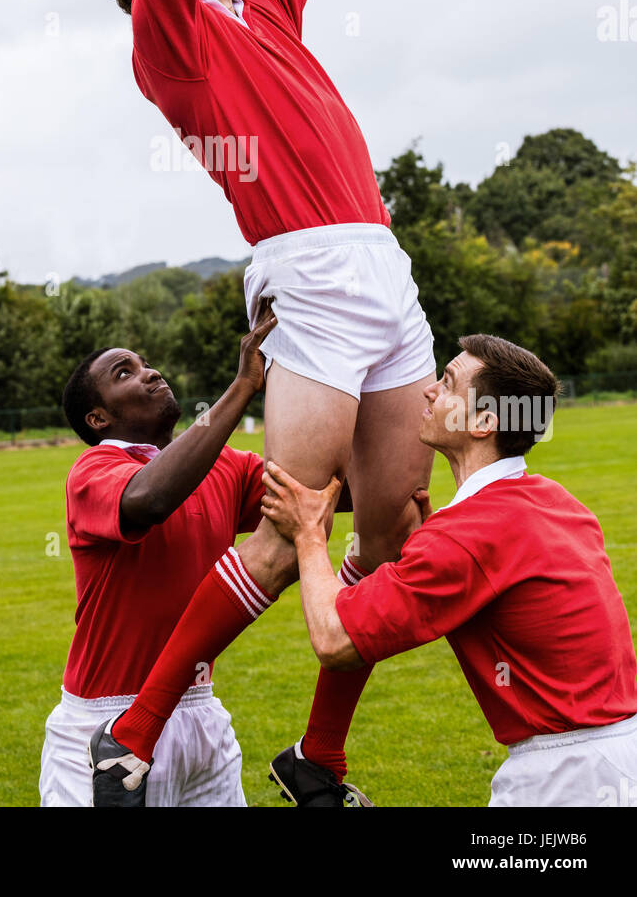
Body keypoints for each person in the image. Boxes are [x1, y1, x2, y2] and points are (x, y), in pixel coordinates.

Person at [93, 0, 435, 805]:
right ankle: (133, 733)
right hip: (313, 273)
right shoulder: (171, 43)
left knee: (389, 536)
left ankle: (317, 757)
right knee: (290, 525)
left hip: (381, 264)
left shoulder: (266, 9)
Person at [259, 333, 637, 807]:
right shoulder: (556, 501)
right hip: (614, 757)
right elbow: (496, 563)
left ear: (482, 422)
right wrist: (433, 539)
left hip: (564, 779)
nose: (430, 390)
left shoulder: (468, 534)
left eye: (449, 382)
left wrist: (309, 534)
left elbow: (336, 639)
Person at [39, 307, 278, 807]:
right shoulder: (94, 469)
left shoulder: (226, 466)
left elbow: (313, 489)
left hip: (198, 712)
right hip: (101, 721)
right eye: (123, 372)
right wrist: (242, 386)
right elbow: (150, 500)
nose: (148, 371)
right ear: (98, 418)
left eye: (144, 363)